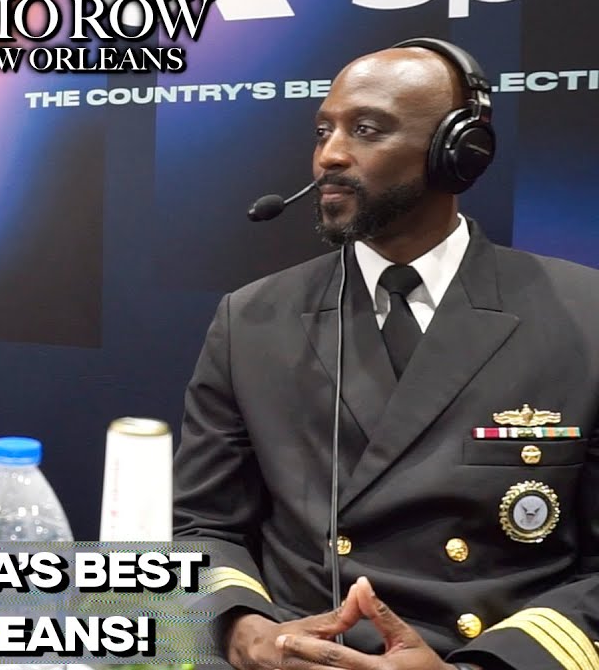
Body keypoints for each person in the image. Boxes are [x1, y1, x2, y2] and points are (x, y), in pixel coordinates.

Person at [174, 39, 599, 670]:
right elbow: (201, 531)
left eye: (366, 130)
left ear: (459, 152)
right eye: (324, 130)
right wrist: (246, 632)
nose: (330, 156)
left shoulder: (584, 313)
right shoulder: (252, 319)